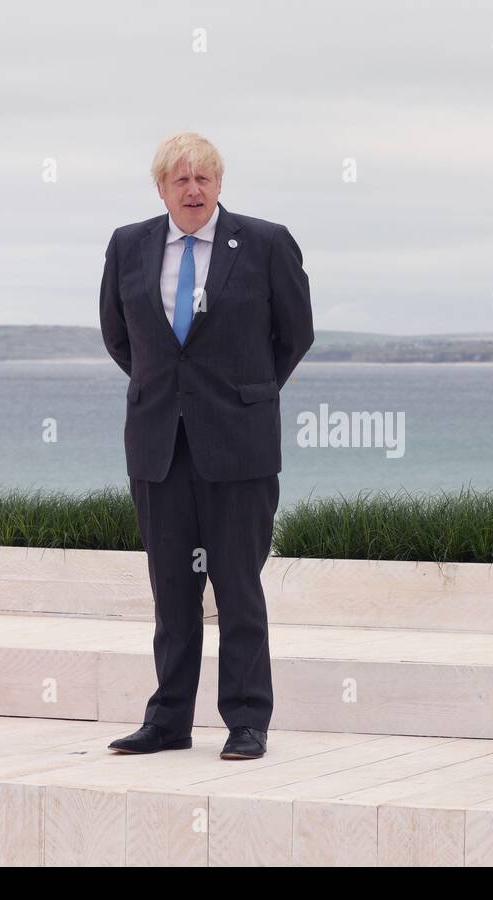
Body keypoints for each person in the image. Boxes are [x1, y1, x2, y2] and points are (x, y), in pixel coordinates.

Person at [100, 132, 314, 760]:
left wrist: (243, 394)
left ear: (220, 184)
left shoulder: (267, 242)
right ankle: (167, 720)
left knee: (237, 585)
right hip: (159, 442)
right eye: (180, 180)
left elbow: (295, 335)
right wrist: (171, 392)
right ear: (160, 187)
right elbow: (120, 338)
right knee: (171, 586)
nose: (193, 190)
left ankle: (247, 720)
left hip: (238, 444)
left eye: (204, 178)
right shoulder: (127, 245)